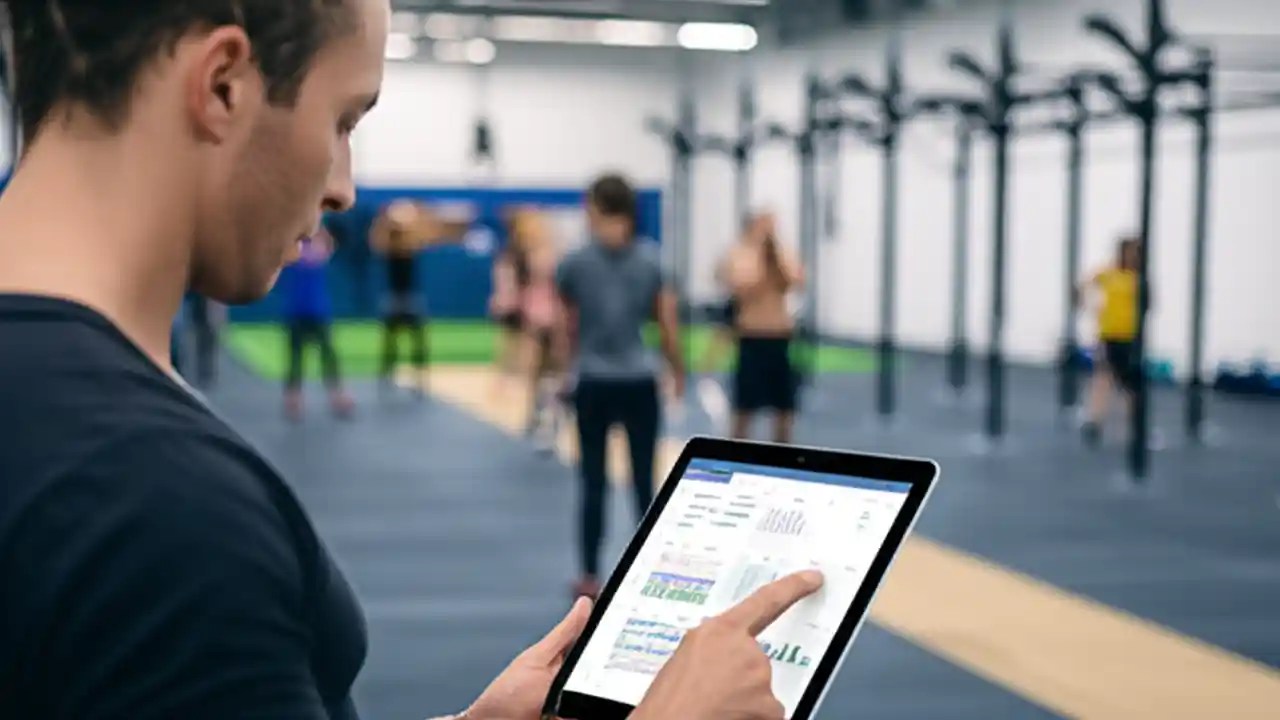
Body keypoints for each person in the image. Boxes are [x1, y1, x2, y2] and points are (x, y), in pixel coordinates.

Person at [0, 2, 823, 718]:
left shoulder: (84, 452)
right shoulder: (161, 511)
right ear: (223, 86)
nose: (344, 187)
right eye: (344, 121)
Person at [555, 174, 685, 600]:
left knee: (597, 480)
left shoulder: (576, 262)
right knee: (641, 480)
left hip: (596, 382)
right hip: (635, 382)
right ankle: (639, 570)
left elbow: (564, 329)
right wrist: (677, 370)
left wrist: (561, 374)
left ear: (596, 208)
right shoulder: (651, 260)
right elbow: (667, 325)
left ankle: (591, 576)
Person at [723, 211, 806, 445]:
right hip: (752, 340)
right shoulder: (740, 255)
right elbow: (741, 287)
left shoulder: (783, 254)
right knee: (743, 410)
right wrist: (762, 258)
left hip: (779, 341)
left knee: (785, 409)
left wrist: (774, 258)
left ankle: (782, 458)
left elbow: (797, 280)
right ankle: (735, 457)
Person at [282, 227, 356, 422]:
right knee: (296, 358)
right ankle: (293, 399)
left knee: (328, 356)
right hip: (297, 311)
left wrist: (316, 228)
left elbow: (327, 244)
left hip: (317, 312)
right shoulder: (294, 250)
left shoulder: (320, 247)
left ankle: (338, 396)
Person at [1080, 236, 1141, 446]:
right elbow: (1085, 284)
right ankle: (1094, 422)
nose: (1131, 256)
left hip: (1130, 338)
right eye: (1128, 252)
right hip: (1108, 335)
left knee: (1130, 386)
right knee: (1102, 378)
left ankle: (1134, 429)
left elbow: (1149, 305)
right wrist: (1088, 306)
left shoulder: (1138, 278)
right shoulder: (1108, 273)